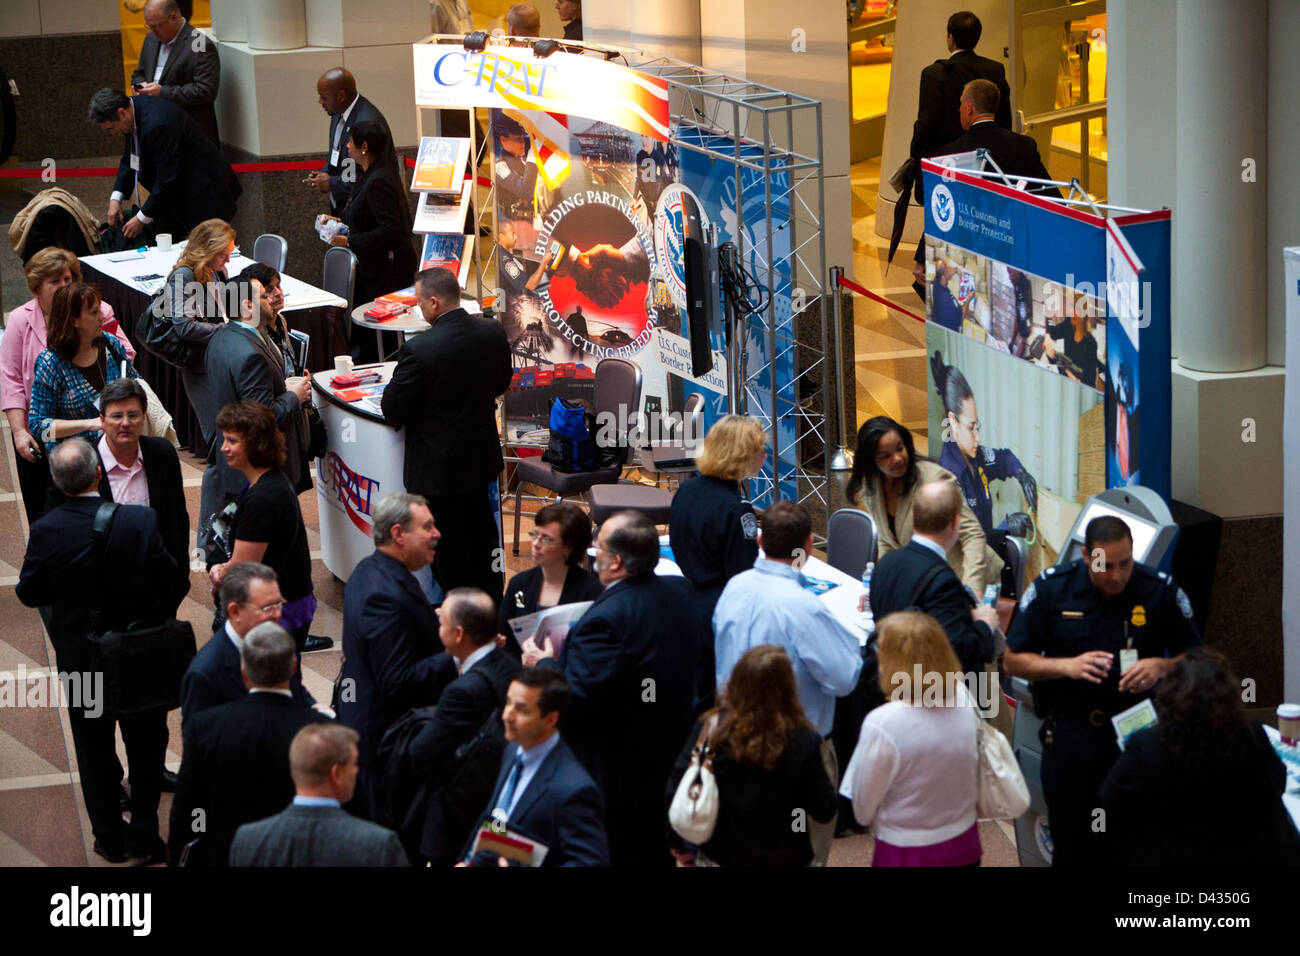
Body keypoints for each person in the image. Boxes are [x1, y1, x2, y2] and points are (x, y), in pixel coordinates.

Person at [1003, 515, 1203, 866]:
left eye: (1125, 563)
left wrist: (1162, 666)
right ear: (1086, 555)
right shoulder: (1053, 589)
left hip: (1137, 739)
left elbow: (1200, 659)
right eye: (1106, 565)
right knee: (1074, 846)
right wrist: (1066, 666)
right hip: (1074, 741)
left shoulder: (1158, 589)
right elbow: (1012, 661)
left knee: (1138, 846)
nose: (1117, 575)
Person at [16, 438, 178, 864]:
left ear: (55, 480)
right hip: (137, 652)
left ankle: (108, 836)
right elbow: (170, 579)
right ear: (97, 474)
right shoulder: (141, 521)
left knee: (93, 747)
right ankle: (146, 834)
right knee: (146, 744)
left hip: (82, 660)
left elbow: (29, 592)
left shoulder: (46, 530)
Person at [524, 510, 705, 867]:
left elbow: (577, 698)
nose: (593, 549)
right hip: (669, 754)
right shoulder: (680, 593)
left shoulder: (606, 619)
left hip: (618, 774)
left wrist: (543, 664)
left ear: (617, 561)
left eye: (599, 543)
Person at [711, 499, 862, 865]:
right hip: (793, 757)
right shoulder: (804, 607)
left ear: (760, 542)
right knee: (800, 854)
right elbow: (845, 679)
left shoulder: (733, 588)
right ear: (809, 546)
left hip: (731, 745)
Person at [1100, 647, 1300, 866]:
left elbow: (1111, 799)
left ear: (1170, 694)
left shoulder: (1146, 745)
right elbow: (1275, 785)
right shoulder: (1251, 735)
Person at [381, 268, 513, 597]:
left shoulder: (419, 350)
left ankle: (458, 609)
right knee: (483, 538)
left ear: (435, 302)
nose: (419, 310)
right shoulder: (492, 331)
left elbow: (392, 409)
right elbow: (501, 383)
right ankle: (491, 599)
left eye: (420, 303)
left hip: (438, 472)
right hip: (480, 460)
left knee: (447, 547)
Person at [168, 623, 329, 867]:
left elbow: (188, 803)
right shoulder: (322, 732)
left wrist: (177, 856)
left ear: (244, 672)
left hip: (228, 851)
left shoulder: (206, 728)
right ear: (293, 667)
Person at [339, 493, 456, 819]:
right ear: (398, 534)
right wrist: (458, 656)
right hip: (385, 746)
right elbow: (398, 681)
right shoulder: (385, 595)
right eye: (428, 527)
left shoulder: (368, 570)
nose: (437, 534)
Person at [666, 645, 836, 867]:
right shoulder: (805, 741)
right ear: (789, 689)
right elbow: (824, 810)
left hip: (722, 856)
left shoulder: (711, 731)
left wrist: (677, 842)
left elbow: (676, 786)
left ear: (736, 683)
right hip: (786, 857)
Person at [840, 611, 984, 867]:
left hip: (907, 852)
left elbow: (862, 812)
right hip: (964, 841)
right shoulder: (963, 697)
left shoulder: (883, 722)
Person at [3, 249, 135, 523]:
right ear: (36, 287)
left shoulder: (99, 312)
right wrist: (19, 430)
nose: (64, 286)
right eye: (55, 281)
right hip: (48, 441)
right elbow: (11, 379)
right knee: (49, 518)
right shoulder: (20, 322)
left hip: (103, 445)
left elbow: (126, 357)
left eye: (67, 278)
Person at [43, 379, 190, 612]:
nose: (125, 423)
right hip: (102, 598)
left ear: (144, 417)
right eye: (116, 416)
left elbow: (178, 519)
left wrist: (179, 577)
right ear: (101, 420)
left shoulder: (162, 455)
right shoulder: (81, 465)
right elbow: (55, 531)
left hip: (158, 591)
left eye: (133, 415)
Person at [410, 588, 522, 865]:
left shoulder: (462, 691)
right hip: (500, 808)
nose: (438, 627)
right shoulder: (512, 668)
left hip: (458, 817)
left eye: (441, 622)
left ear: (458, 634)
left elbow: (420, 753)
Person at [206, 401, 328, 652]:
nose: (224, 448)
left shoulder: (264, 498)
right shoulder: (264, 482)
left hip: (274, 614)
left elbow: (242, 569)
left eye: (232, 441)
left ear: (254, 444)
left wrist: (219, 571)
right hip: (285, 603)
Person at [460, 669, 609, 866]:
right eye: (508, 703)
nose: (507, 716)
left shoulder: (573, 789)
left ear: (550, 719)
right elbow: (497, 819)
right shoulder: (513, 751)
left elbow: (590, 863)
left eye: (521, 709)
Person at [847, 415, 1000, 595]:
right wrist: (885, 584)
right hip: (925, 584)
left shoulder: (934, 480)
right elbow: (886, 541)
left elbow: (972, 533)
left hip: (965, 578)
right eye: (885, 456)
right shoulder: (871, 487)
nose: (897, 458)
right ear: (871, 460)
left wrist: (972, 587)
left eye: (900, 448)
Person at [869, 481, 1004, 678]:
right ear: (956, 522)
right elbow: (957, 652)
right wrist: (984, 624)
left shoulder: (885, 564)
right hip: (929, 694)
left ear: (915, 518)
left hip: (891, 680)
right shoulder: (944, 582)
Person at [229, 724, 410, 867]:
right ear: (336, 773)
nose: (357, 771)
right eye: (354, 764)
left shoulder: (247, 840)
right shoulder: (379, 845)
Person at [204, 272, 313, 505]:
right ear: (247, 305)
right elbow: (265, 417)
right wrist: (295, 396)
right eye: (263, 296)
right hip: (259, 469)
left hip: (237, 465)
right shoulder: (250, 354)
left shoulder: (220, 338)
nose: (270, 300)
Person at [322, 120, 418, 361]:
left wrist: (350, 241)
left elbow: (390, 229)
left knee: (381, 338)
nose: (347, 145)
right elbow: (366, 216)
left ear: (363, 146)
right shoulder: (372, 174)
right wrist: (338, 221)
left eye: (350, 141)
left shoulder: (380, 179)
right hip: (375, 267)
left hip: (386, 270)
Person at [180, 562, 316, 729]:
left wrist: (315, 711)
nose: (277, 614)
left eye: (279, 603)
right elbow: (200, 743)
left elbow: (295, 690)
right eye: (267, 607)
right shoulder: (205, 673)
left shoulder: (280, 636)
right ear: (235, 611)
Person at [90, 88, 240, 240]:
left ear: (122, 113)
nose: (113, 133)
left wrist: (141, 218)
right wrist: (116, 199)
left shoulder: (158, 124)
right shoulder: (133, 110)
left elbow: (167, 178)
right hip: (177, 197)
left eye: (111, 128)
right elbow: (130, 157)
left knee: (207, 254)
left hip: (205, 195)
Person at [931, 350, 1038, 546]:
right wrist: (1007, 527)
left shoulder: (975, 455)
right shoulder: (949, 479)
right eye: (971, 428)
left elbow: (1004, 458)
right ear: (953, 422)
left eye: (977, 427)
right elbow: (965, 544)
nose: (977, 438)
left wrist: (1022, 474)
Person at [668, 414, 764, 628]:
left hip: (688, 599)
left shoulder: (685, 490)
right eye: (761, 450)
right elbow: (743, 576)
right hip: (723, 612)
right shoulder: (737, 510)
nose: (764, 456)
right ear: (743, 455)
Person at [161, 217, 235, 481]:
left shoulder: (215, 271)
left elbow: (224, 308)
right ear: (207, 250)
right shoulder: (183, 276)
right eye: (223, 255)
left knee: (231, 436)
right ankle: (212, 516)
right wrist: (225, 331)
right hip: (199, 367)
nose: (227, 262)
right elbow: (183, 326)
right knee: (219, 442)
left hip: (219, 359)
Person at [28, 282, 141, 453]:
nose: (102, 316)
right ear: (73, 321)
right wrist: (90, 424)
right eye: (94, 312)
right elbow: (39, 427)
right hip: (77, 463)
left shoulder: (111, 344)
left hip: (118, 451)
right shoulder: (50, 364)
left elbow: (136, 383)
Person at [909, 11, 1011, 195]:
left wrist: (915, 157)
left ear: (950, 37)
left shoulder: (934, 74)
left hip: (946, 165)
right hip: (988, 162)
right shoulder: (995, 69)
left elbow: (926, 123)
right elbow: (1004, 117)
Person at [498, 501, 602, 658]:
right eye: (535, 535)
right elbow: (504, 640)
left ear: (569, 548)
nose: (535, 544)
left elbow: (590, 653)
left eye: (546, 539)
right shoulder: (519, 584)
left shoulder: (591, 592)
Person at [305, 68, 398, 213]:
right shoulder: (337, 112)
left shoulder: (368, 123)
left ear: (341, 96)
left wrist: (331, 183)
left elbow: (373, 178)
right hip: (344, 208)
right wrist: (323, 173)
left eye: (324, 97)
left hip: (367, 214)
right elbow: (336, 154)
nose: (320, 101)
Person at [131, 0, 220, 144]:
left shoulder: (199, 44)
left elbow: (206, 90)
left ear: (174, 17)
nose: (153, 32)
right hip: (155, 125)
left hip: (188, 131)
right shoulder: (151, 38)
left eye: (157, 26)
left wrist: (162, 92)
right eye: (149, 26)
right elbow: (139, 72)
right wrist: (139, 86)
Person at [1043, 290, 1103, 389]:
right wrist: (1048, 337)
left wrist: (1077, 381)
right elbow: (1052, 331)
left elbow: (1090, 384)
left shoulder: (1090, 344)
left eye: (1073, 308)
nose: (1070, 311)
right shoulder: (1069, 325)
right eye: (1070, 307)